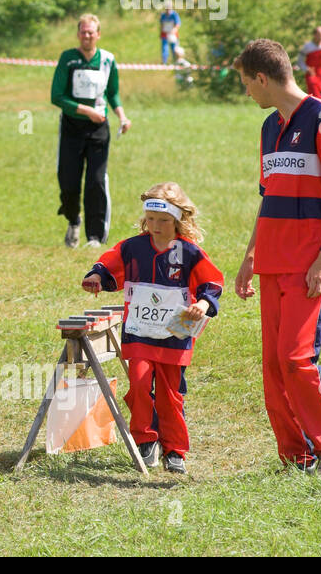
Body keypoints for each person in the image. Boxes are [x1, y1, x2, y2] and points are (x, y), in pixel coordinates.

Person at [232, 39, 321, 473]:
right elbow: (267, 197)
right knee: (273, 364)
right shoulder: (270, 127)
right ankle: (295, 456)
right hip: (272, 260)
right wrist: (251, 256)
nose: (247, 92)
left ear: (263, 78)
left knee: (296, 358)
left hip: (311, 265)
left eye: (247, 84)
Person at [81, 183, 224, 474]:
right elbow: (109, 264)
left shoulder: (190, 253)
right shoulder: (132, 248)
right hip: (139, 332)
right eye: (151, 219)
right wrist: (96, 275)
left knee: (170, 393)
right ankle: (146, 440)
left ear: (178, 221)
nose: (156, 226)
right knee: (139, 383)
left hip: (176, 334)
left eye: (164, 220)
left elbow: (212, 284)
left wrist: (204, 306)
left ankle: (175, 450)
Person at [50, 14, 131, 250]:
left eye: (91, 32)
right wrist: (86, 111)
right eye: (83, 32)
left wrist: (122, 117)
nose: (87, 36)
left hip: (98, 129)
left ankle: (95, 237)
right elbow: (56, 96)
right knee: (68, 182)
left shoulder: (107, 60)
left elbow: (113, 94)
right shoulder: (68, 59)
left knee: (96, 182)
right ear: (78, 34)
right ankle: (73, 219)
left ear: (98, 35)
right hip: (72, 127)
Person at [298, 26, 321, 101]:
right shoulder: (307, 46)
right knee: (316, 99)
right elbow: (300, 61)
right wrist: (306, 69)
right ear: (314, 35)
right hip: (312, 76)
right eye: (319, 34)